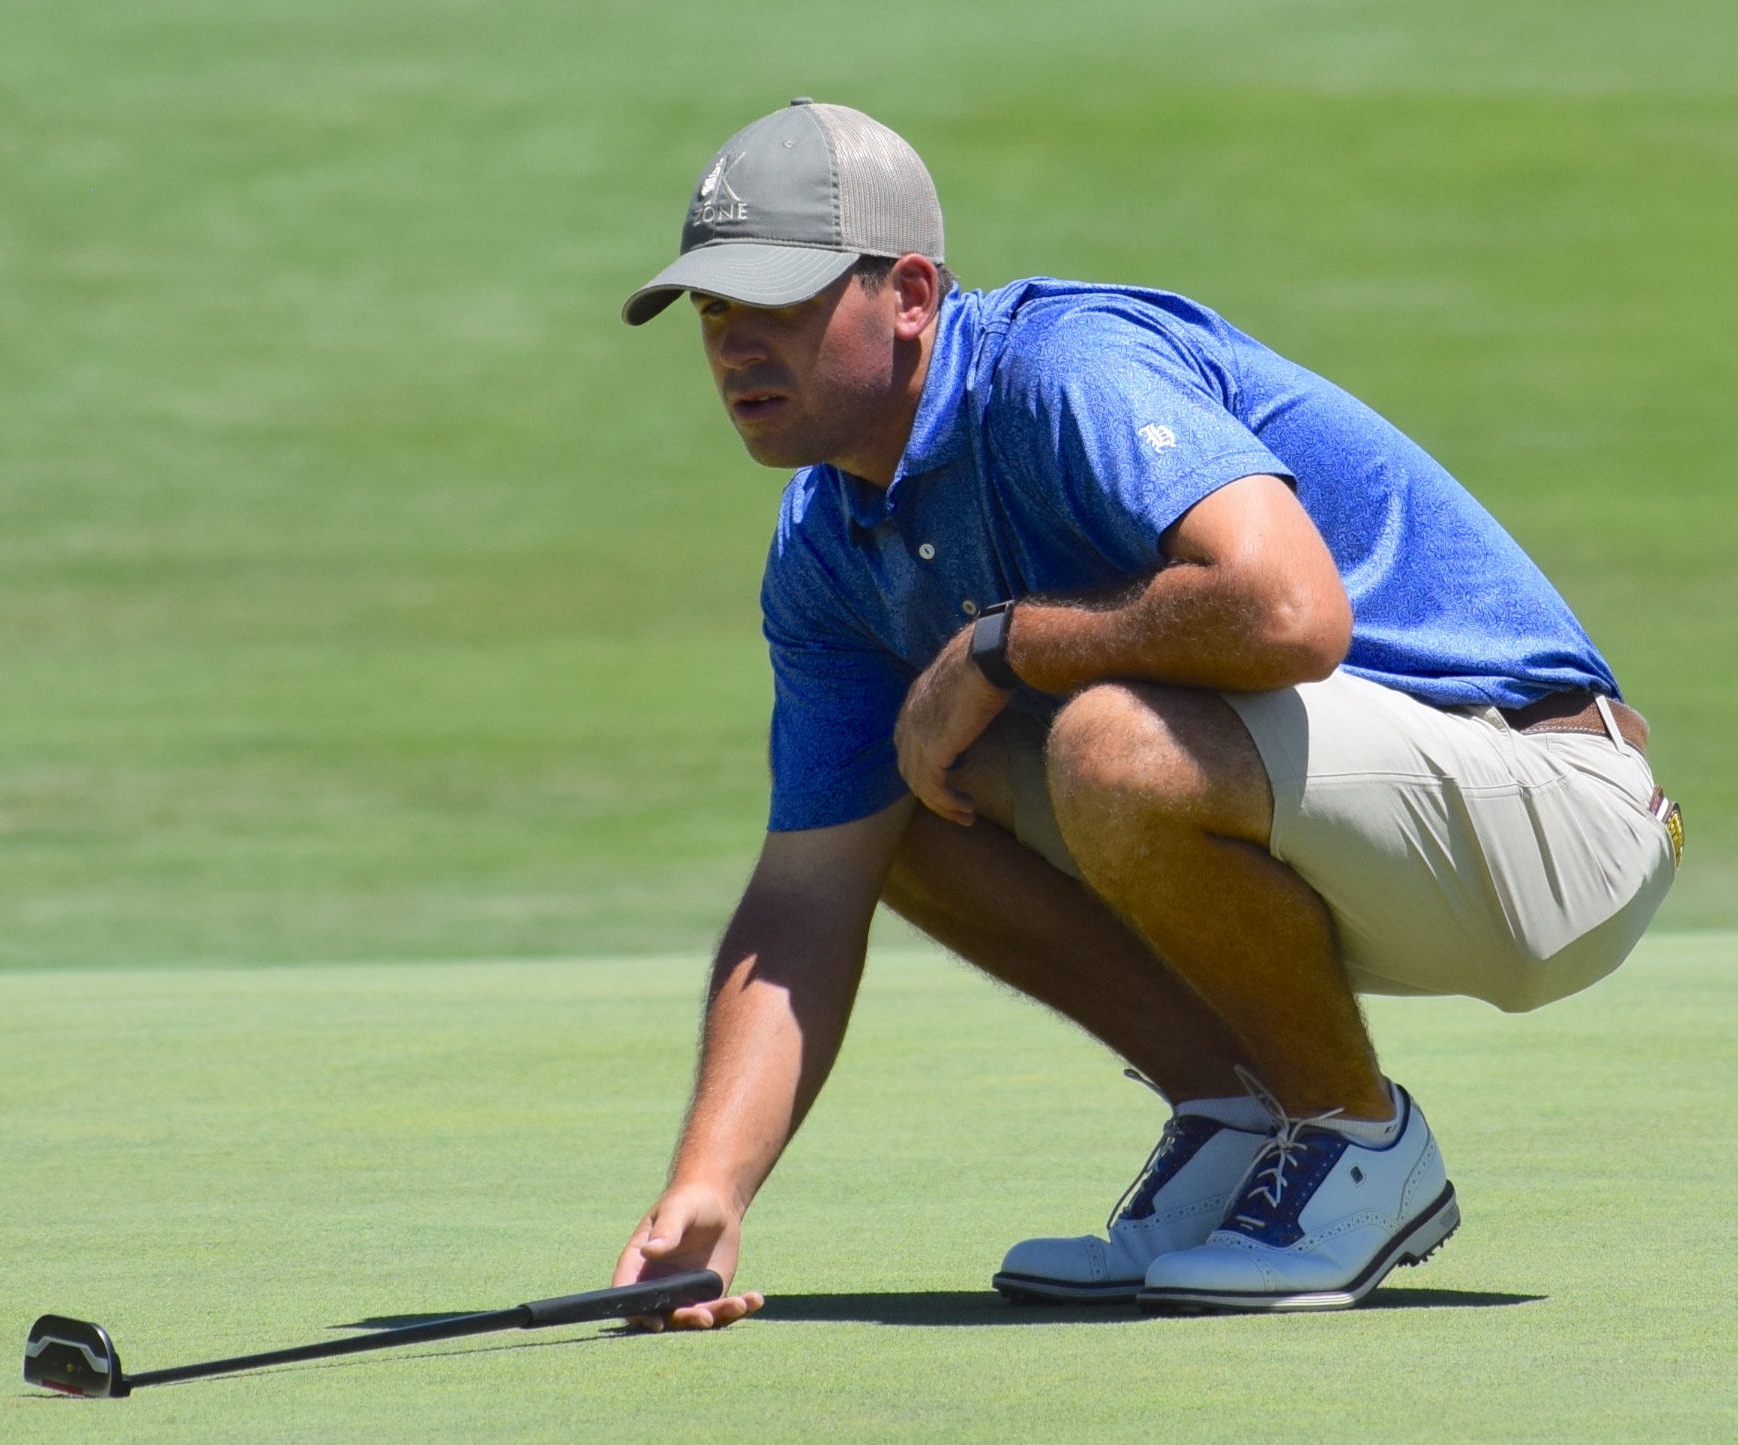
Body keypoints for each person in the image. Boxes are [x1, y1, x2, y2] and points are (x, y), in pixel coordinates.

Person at [608, 99, 1682, 1326]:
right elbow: (806, 890)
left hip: (1558, 811)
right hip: (1375, 835)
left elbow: (1289, 612)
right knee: (896, 796)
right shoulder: (822, 539)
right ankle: (1244, 1117)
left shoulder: (1065, 367)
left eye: (779, 303)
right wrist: (709, 1186)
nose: (738, 345)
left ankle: (1358, 1141)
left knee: (1108, 742)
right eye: (713, 312)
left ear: (910, 293)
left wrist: (1003, 647)